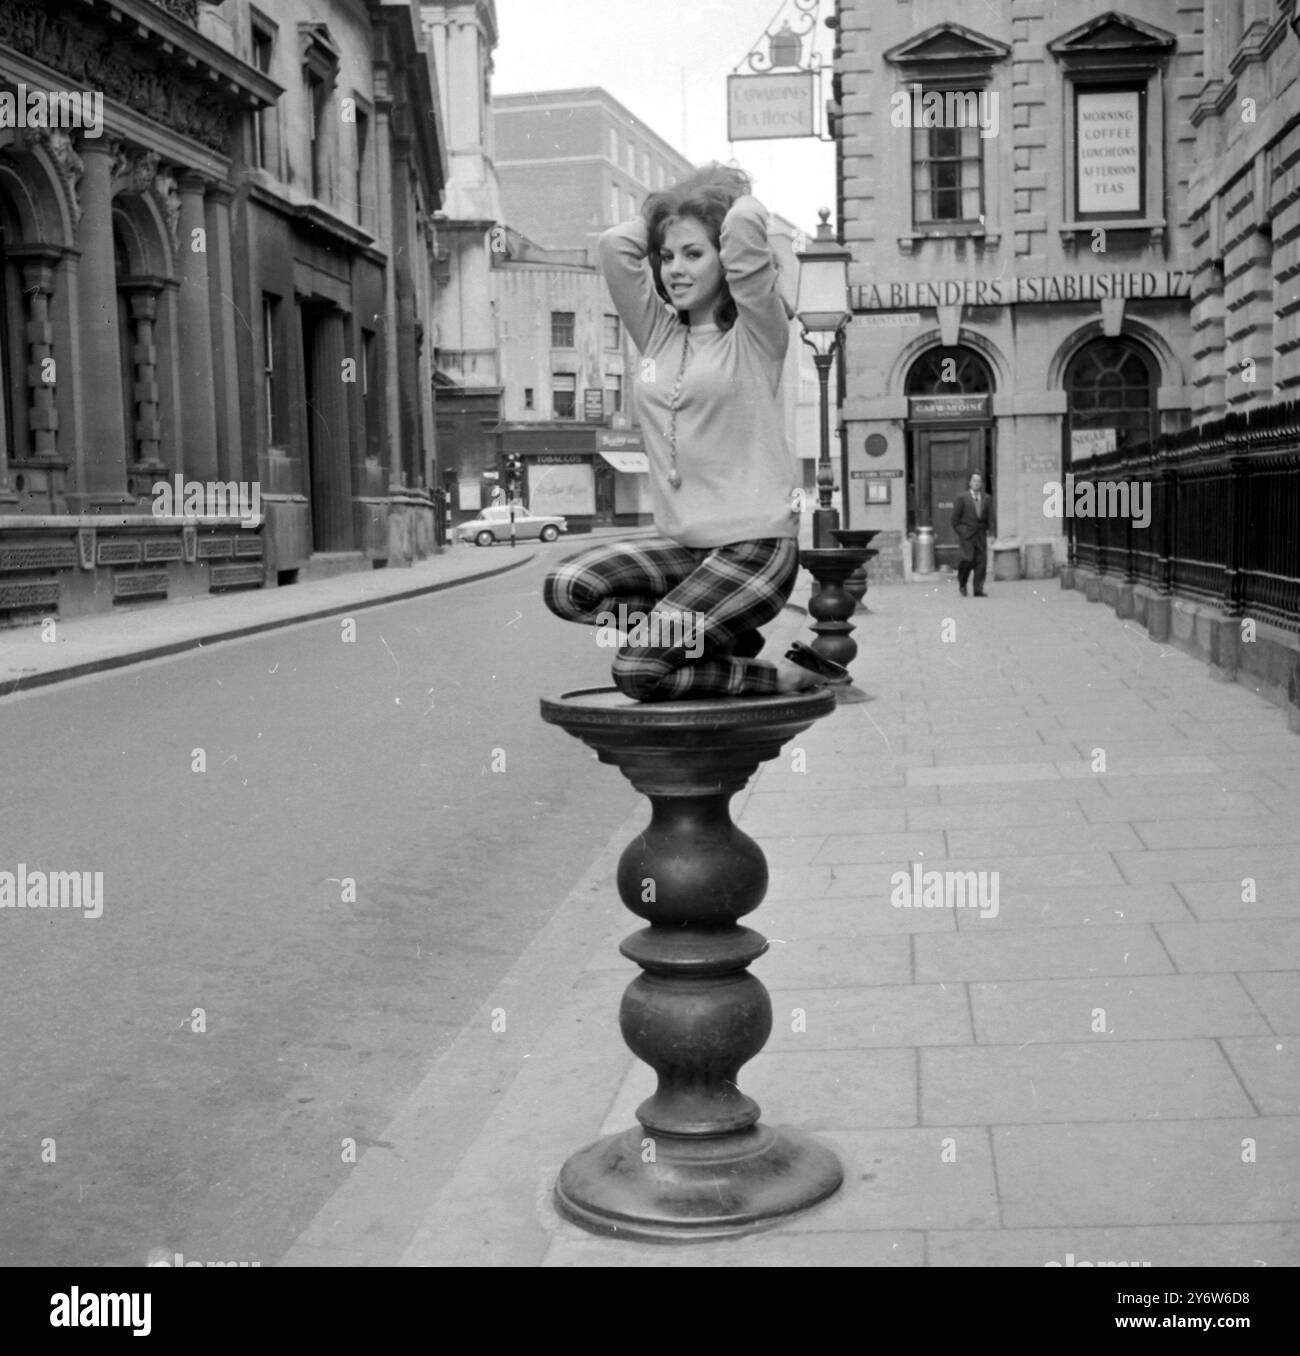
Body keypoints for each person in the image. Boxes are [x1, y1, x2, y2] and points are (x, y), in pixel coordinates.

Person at [542, 164, 840, 700]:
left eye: (694, 254)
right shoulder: (658, 334)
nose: (675, 269)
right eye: (666, 256)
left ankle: (776, 674)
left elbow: (749, 226)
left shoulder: (756, 333)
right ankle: (708, 635)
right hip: (686, 551)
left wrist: (722, 200)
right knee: (568, 588)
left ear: (726, 261)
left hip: (754, 549)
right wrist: (668, 216)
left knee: (638, 672)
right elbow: (614, 246)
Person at [951, 471, 993, 596]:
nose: (976, 483)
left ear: (981, 483)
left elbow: (991, 518)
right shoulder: (962, 498)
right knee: (967, 560)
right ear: (969, 483)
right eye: (974, 480)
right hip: (967, 536)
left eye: (979, 481)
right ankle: (962, 584)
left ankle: (978, 589)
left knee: (981, 562)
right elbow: (954, 520)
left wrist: (991, 534)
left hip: (980, 534)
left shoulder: (987, 498)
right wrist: (962, 532)